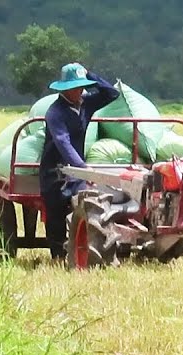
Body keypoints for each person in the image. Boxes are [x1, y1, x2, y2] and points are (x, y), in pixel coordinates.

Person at [38, 62, 119, 260]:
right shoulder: (55, 112)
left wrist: (90, 75)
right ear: (65, 89)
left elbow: (111, 94)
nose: (80, 90)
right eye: (76, 87)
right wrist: (83, 167)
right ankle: (57, 256)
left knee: (85, 206)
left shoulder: (86, 104)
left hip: (77, 172)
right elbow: (62, 142)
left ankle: (84, 249)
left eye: (83, 86)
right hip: (55, 172)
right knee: (56, 215)